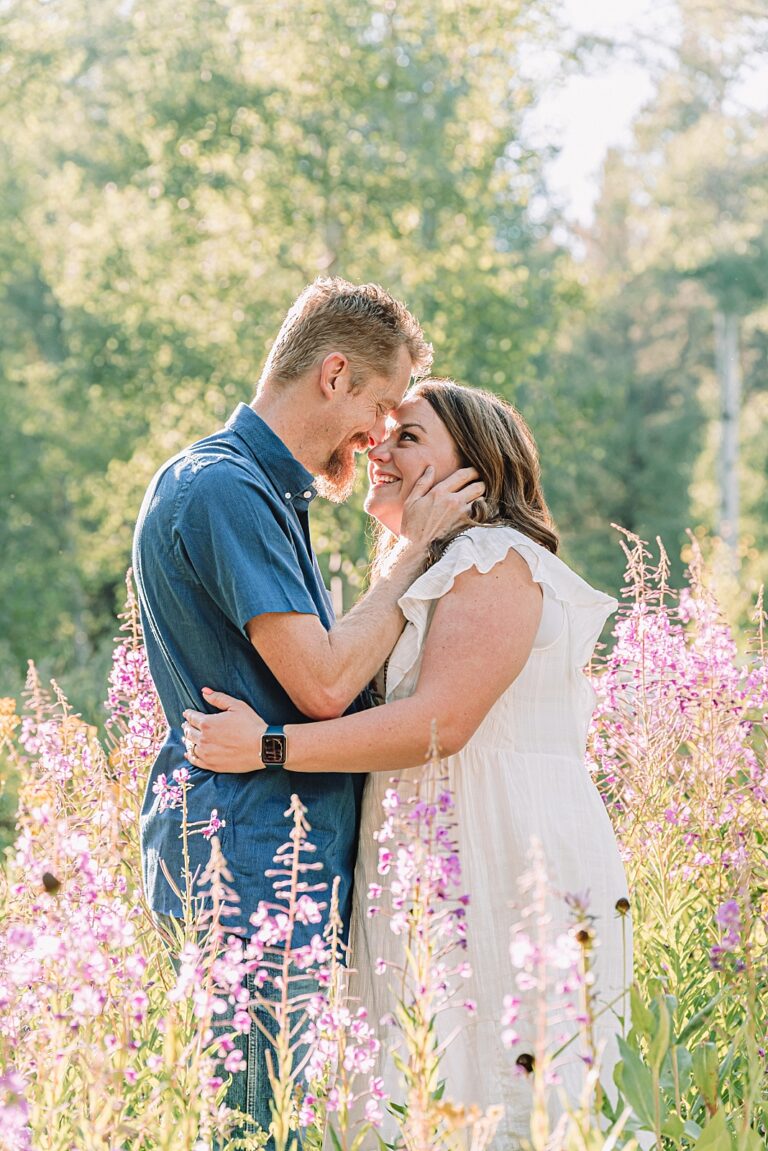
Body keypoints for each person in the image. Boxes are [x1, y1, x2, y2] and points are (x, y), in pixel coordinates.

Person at [182, 378, 632, 1148]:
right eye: (383, 431)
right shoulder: (432, 571)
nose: (377, 449)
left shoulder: (491, 558)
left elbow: (440, 722)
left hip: (500, 856)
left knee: (494, 1090)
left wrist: (269, 746)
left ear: (473, 474)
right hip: (438, 860)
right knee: (424, 1092)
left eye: (409, 436)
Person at [132, 283, 483, 1142]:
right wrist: (410, 556)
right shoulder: (224, 491)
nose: (376, 437)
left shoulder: (254, 492)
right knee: (257, 1127)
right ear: (333, 374)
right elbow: (323, 685)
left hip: (267, 857)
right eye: (377, 404)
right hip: (247, 866)